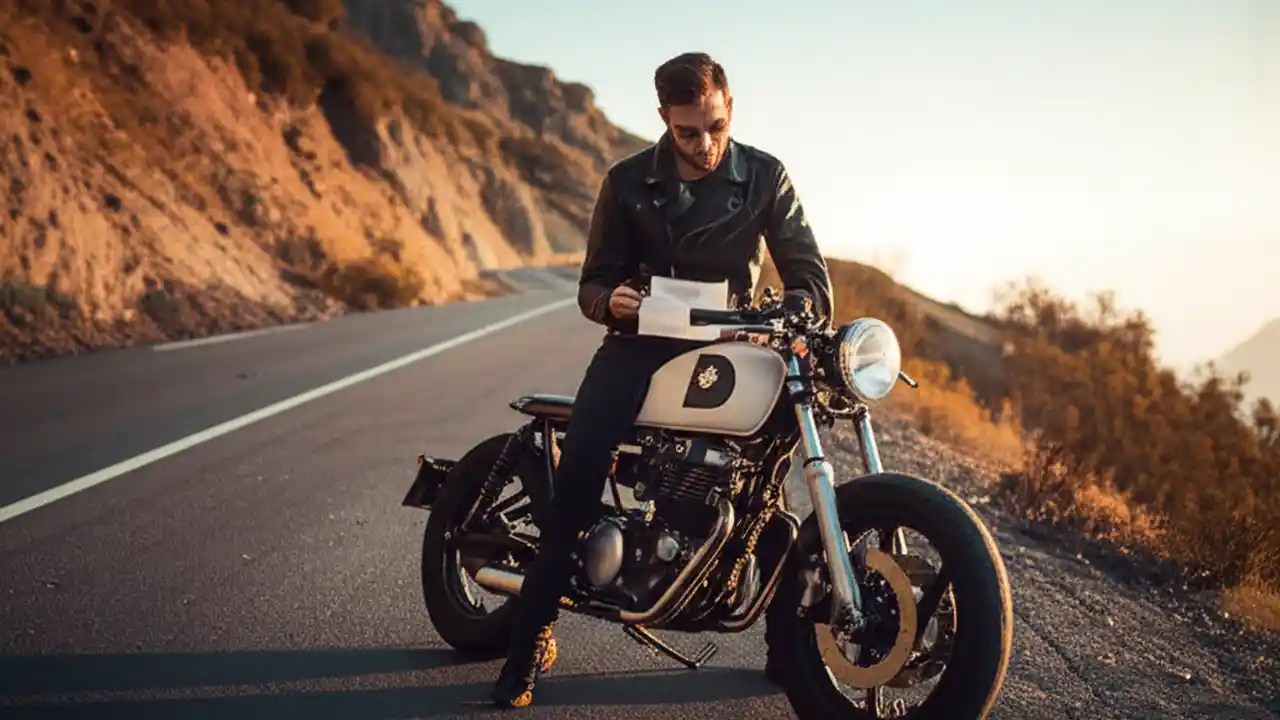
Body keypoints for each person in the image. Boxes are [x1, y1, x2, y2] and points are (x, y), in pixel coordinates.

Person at [489, 51, 834, 709]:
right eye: (687, 132)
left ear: (730, 110)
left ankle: (785, 647)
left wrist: (796, 312)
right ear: (662, 120)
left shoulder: (765, 176)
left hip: (735, 342)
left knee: (769, 482)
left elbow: (809, 274)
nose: (705, 146)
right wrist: (610, 300)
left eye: (716, 127)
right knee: (583, 474)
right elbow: (592, 282)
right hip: (641, 344)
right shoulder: (624, 182)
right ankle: (529, 639)